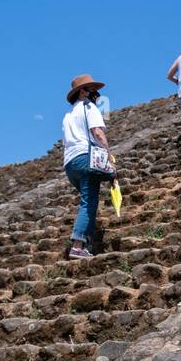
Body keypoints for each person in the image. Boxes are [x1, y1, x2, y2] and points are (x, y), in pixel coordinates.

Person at [62, 73, 112, 260]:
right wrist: (108, 153)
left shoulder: (68, 115)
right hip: (85, 158)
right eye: (92, 90)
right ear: (83, 92)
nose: (96, 94)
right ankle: (78, 245)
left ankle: (87, 239)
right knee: (89, 201)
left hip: (70, 163)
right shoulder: (89, 107)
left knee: (87, 199)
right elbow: (97, 132)